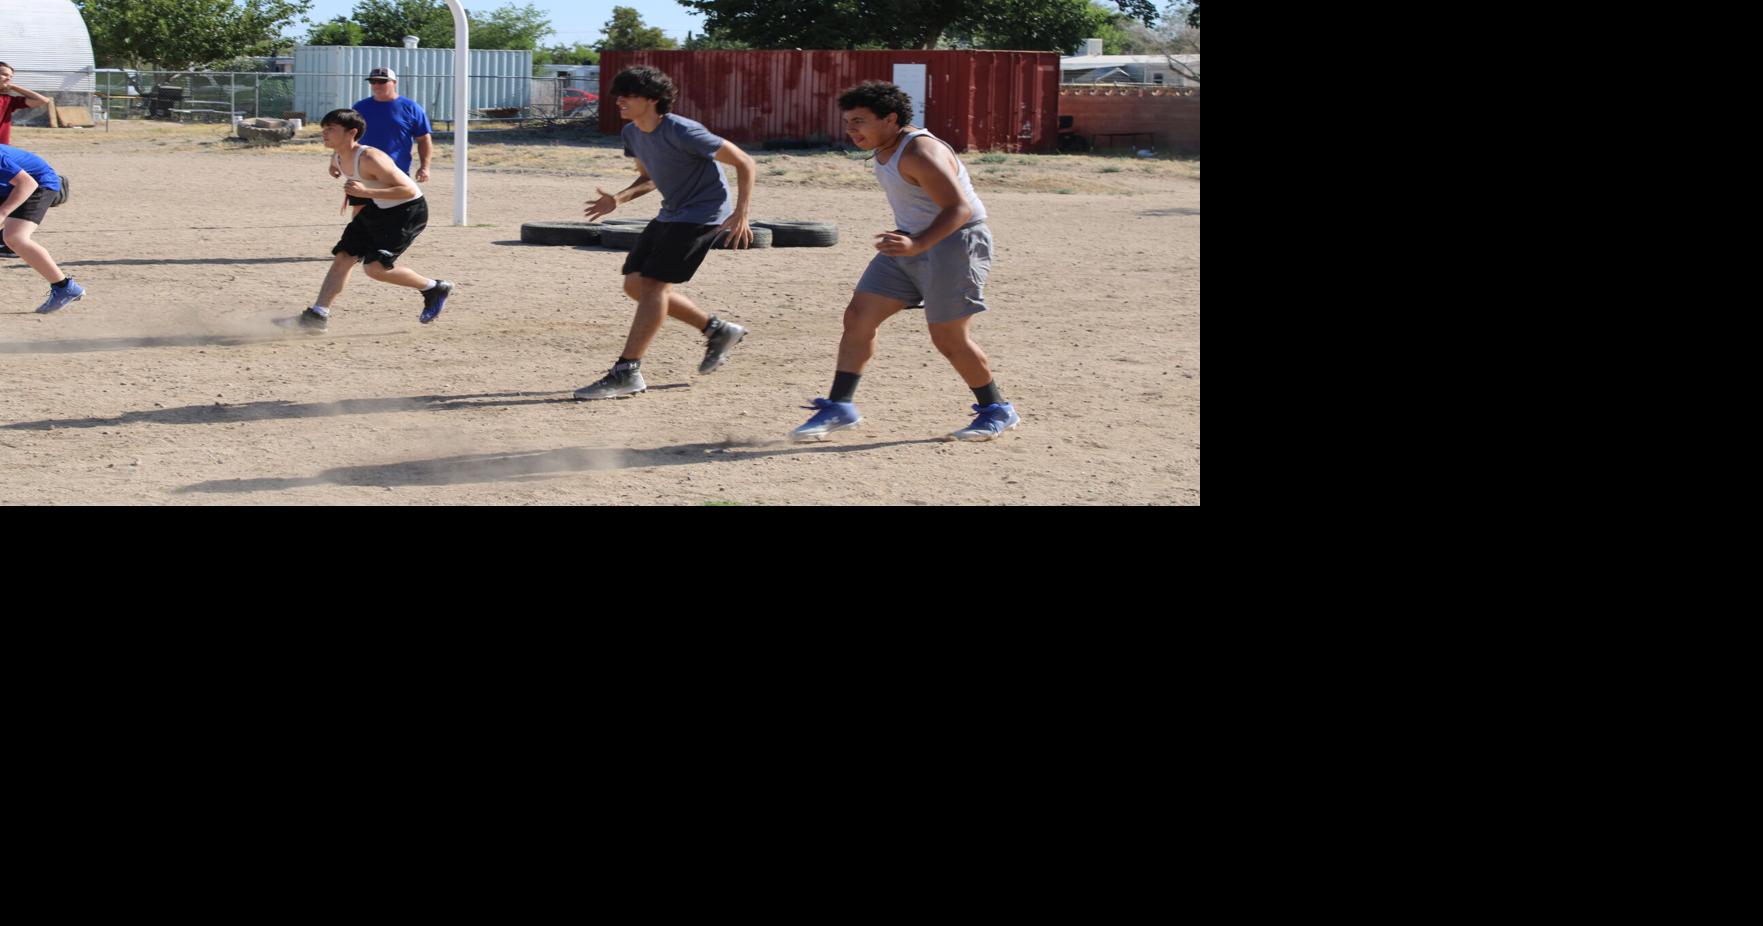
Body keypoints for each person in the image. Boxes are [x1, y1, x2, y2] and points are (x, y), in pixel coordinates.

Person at [791, 81, 1020, 442]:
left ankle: (997, 409)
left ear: (891, 119)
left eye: (859, 122)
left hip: (955, 243)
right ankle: (840, 406)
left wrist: (918, 243)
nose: (851, 130)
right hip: (910, 241)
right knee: (858, 317)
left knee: (948, 338)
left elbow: (958, 208)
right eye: (848, 122)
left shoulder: (919, 153)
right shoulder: (885, 145)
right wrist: (912, 242)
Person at [572, 66, 755, 401]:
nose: (620, 100)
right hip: (672, 211)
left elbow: (744, 162)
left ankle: (626, 371)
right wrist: (618, 199)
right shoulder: (632, 134)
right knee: (635, 285)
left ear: (653, 100)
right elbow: (649, 178)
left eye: (629, 95)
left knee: (655, 285)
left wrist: (741, 213)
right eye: (619, 94)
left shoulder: (685, 131)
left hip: (704, 213)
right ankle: (717, 330)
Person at [278, 109, 452, 331]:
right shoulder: (338, 155)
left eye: (331, 129)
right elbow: (351, 177)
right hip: (377, 207)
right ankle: (317, 316)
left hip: (406, 212)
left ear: (352, 133)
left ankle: (434, 288)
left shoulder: (371, 158)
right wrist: (344, 175)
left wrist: (366, 192)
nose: (325, 133)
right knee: (344, 256)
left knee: (375, 269)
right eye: (324, 129)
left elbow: (408, 191)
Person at [336, 68, 433, 215]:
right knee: (360, 212)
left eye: (382, 81)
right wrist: (336, 161)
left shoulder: (411, 108)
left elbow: (424, 139)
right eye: (373, 81)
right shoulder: (360, 108)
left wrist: (425, 167)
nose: (376, 85)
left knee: (395, 212)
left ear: (394, 83)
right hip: (361, 170)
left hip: (394, 171)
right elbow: (345, 137)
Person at [1, 142, 83, 313]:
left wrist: (2, 214)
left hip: (37, 184)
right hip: (7, 187)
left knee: (15, 237)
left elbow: (27, 184)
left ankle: (64, 287)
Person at [0, 62, 52, 257]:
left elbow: (42, 101)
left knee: (15, 192)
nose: (7, 78)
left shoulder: (8, 99)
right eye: (4, 75)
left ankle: (9, 239)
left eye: (10, 76)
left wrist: (12, 87)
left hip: (4, 154)